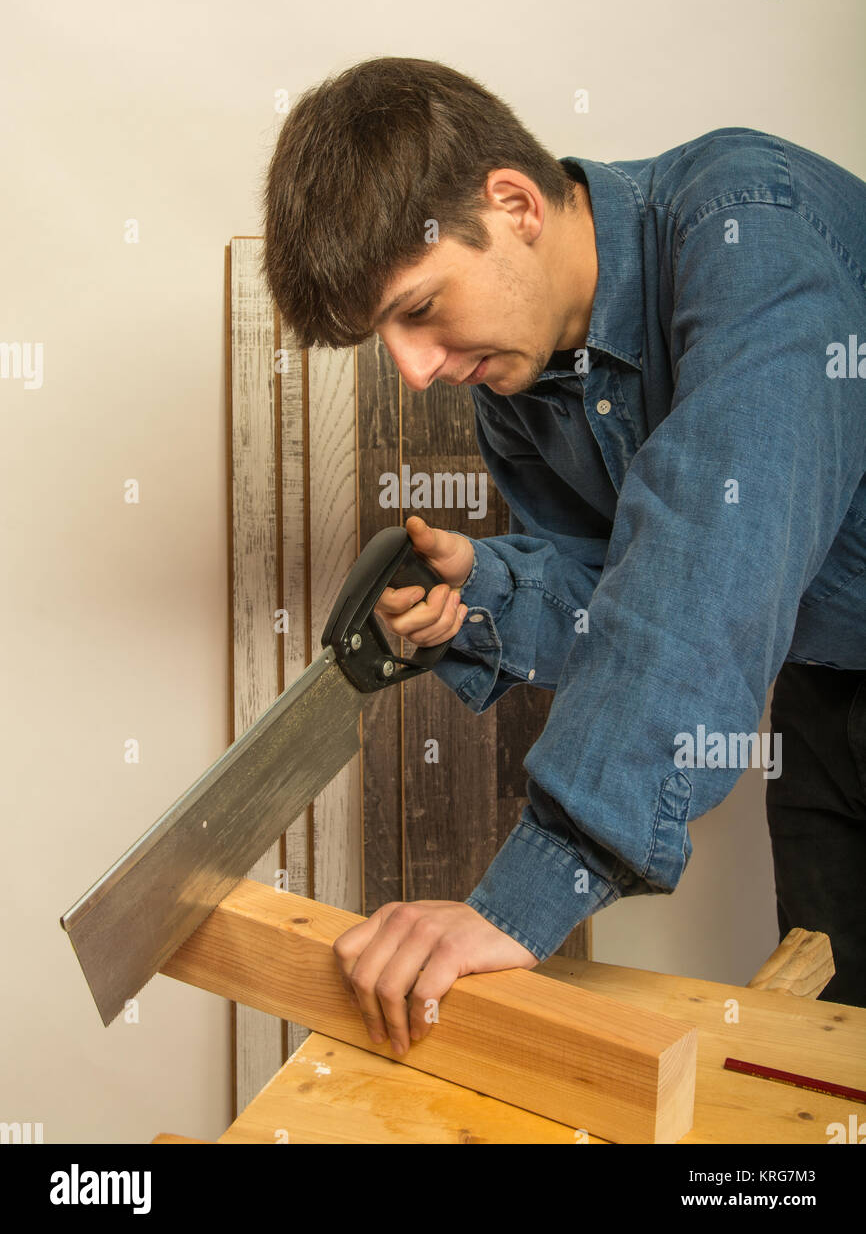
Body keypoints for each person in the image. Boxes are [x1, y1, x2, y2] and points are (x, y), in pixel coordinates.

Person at [261, 56, 866, 1057]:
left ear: (512, 205)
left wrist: (534, 887)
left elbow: (708, 564)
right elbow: (615, 594)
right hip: (821, 688)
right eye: (387, 339)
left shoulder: (748, 229)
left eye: (416, 309)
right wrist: (488, 595)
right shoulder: (517, 394)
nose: (412, 371)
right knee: (832, 1060)